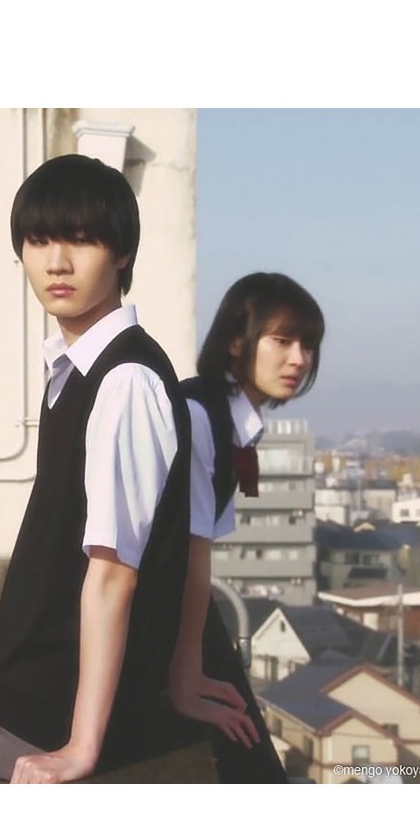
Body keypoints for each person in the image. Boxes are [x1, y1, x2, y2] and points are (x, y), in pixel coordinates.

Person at [0, 154, 191, 784]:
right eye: (39, 240)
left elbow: (116, 573)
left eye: (81, 240)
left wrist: (80, 747)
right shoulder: (75, 368)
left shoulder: (125, 380)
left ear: (123, 253)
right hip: (23, 674)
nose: (57, 262)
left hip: (51, 703)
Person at [168, 272, 325, 782]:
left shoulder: (223, 418)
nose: (299, 359)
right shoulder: (198, 416)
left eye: (308, 345)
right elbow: (191, 559)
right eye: (282, 340)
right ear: (236, 340)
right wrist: (187, 679)